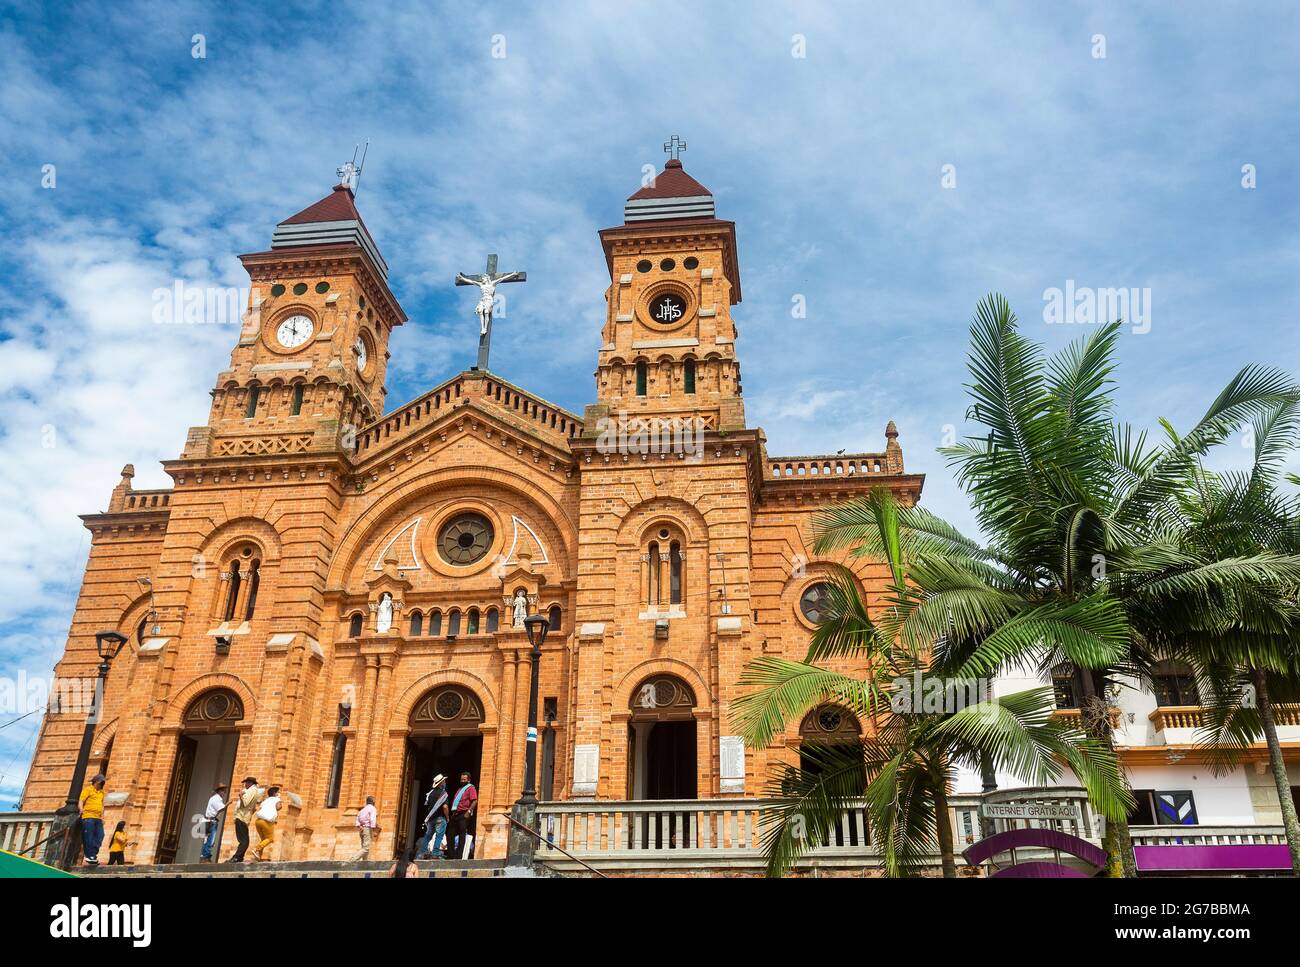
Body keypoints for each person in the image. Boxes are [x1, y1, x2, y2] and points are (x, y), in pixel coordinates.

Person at [229, 776, 263, 863]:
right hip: (244, 817)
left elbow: (245, 803)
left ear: (251, 783)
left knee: (244, 840)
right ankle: (239, 857)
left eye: (247, 783)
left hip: (242, 817)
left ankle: (237, 857)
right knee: (244, 840)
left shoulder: (251, 791)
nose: (245, 784)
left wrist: (241, 795)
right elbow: (253, 806)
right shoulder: (254, 791)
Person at [415, 774, 449, 860]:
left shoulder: (430, 794)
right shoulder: (443, 793)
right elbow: (445, 807)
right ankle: (435, 853)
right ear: (441, 783)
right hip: (440, 818)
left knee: (428, 836)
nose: (445, 783)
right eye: (444, 781)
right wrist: (447, 817)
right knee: (439, 836)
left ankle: (422, 853)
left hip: (431, 818)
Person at [78, 773, 107, 865]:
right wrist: (81, 809)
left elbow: (102, 805)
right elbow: (81, 800)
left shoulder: (102, 792)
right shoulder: (88, 790)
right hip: (88, 816)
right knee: (88, 836)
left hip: (98, 817)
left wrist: (102, 817)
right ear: (96, 782)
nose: (102, 784)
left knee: (100, 835)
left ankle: (92, 854)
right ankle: (90, 856)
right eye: (101, 782)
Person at [448, 771, 478, 859]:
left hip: (464, 814)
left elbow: (474, 800)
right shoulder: (459, 789)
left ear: (468, 780)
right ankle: (451, 855)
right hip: (455, 814)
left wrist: (469, 811)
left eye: (464, 779)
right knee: (450, 834)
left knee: (462, 835)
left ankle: (458, 856)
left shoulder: (471, 788)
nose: (462, 780)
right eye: (461, 779)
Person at [249, 784, 281, 861]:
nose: (279, 793)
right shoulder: (276, 799)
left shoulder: (265, 801)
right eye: (278, 792)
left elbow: (260, 808)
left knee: (263, 839)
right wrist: (279, 799)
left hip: (258, 821)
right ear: (274, 793)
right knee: (270, 839)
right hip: (266, 821)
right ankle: (256, 850)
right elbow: (278, 807)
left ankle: (259, 857)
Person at [200, 782, 229, 862]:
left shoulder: (214, 798)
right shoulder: (217, 799)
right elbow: (221, 808)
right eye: (223, 791)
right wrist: (228, 803)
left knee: (208, 840)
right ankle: (206, 857)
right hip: (211, 821)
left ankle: (205, 856)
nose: (224, 793)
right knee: (210, 840)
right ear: (219, 791)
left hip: (210, 820)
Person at [352, 795, 377, 861]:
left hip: (361, 829)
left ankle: (364, 862)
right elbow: (372, 819)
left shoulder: (362, 810)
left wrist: (359, 826)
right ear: (373, 801)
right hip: (367, 829)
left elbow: (357, 819)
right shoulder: (372, 808)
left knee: (364, 846)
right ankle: (353, 860)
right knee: (366, 848)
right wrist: (373, 828)